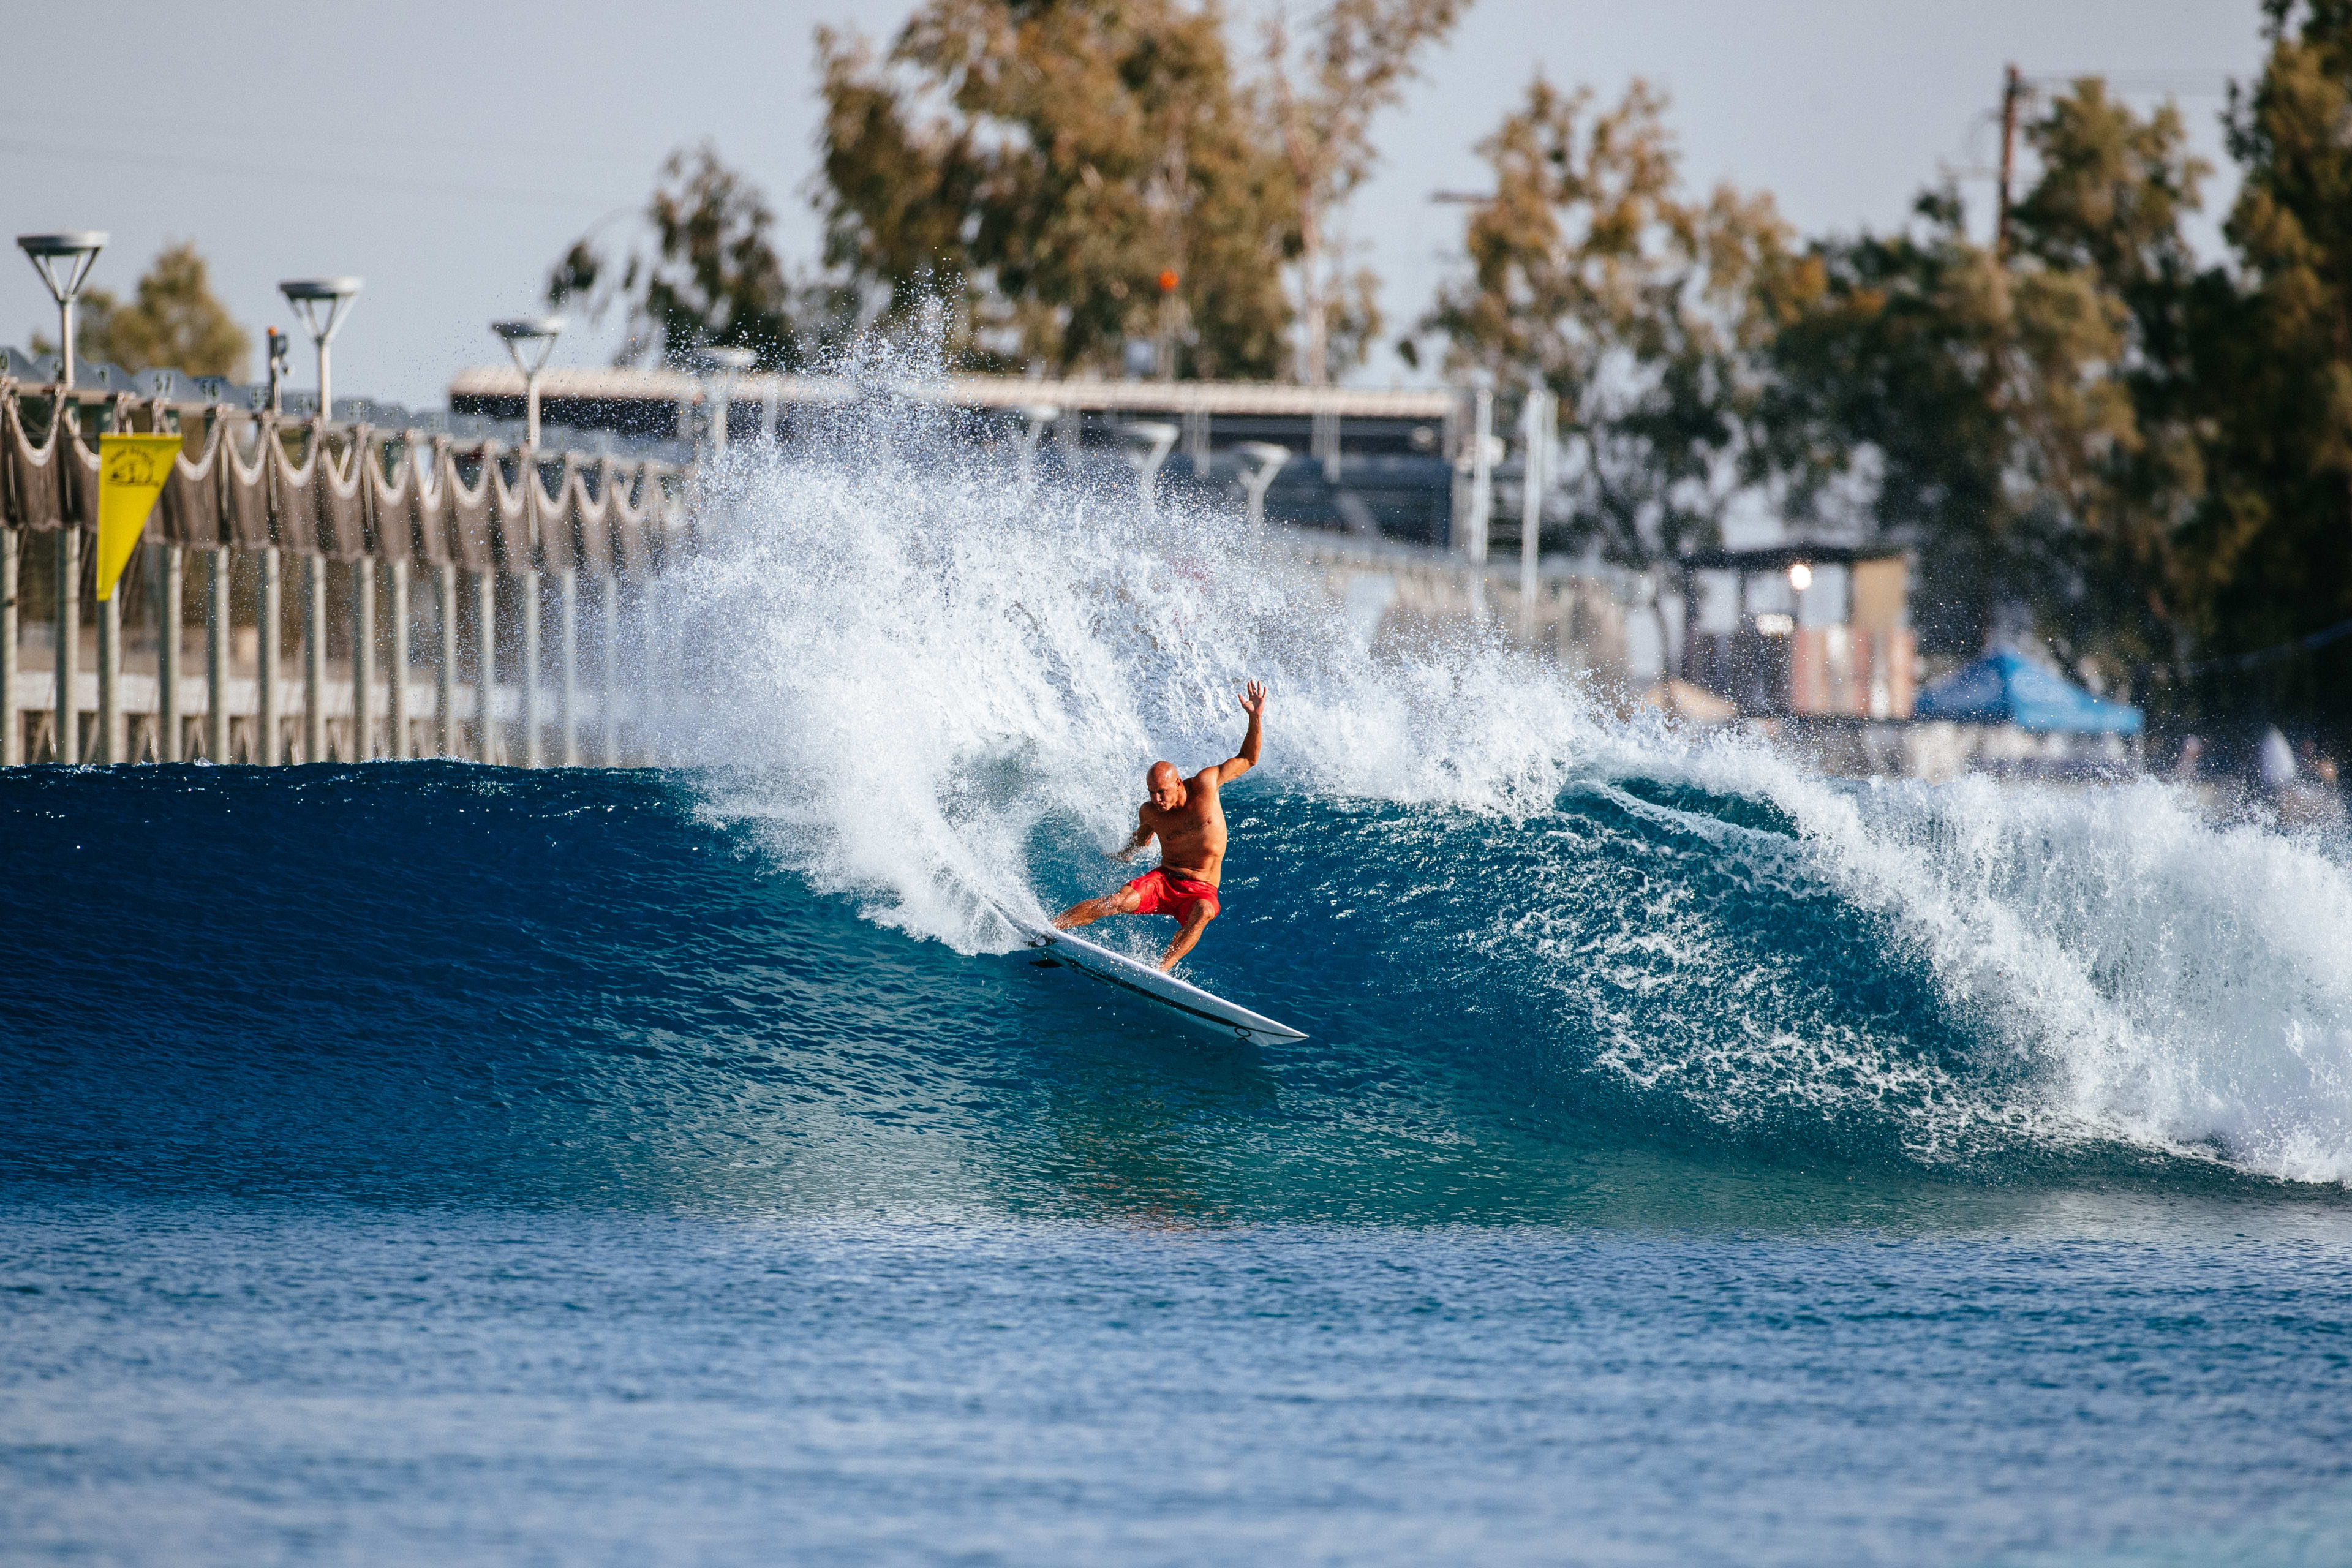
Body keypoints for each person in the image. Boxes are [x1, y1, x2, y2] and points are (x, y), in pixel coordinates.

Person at [1054, 680, 1267, 973]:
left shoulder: (1206, 785)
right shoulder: (1151, 812)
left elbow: (1248, 759)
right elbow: (1141, 839)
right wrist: (1123, 855)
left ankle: (1160, 971)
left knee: (1204, 911)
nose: (1156, 799)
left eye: (1162, 792)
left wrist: (1255, 718)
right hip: (1164, 880)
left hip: (1201, 888)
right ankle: (1052, 928)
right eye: (1151, 792)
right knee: (1118, 901)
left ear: (1178, 783)